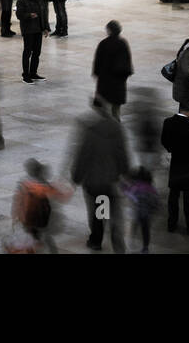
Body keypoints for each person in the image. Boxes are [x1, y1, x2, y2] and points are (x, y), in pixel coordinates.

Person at [71, 96, 130, 252]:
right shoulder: (116, 128)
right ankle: (116, 238)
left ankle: (96, 239)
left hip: (94, 181)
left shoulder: (90, 130)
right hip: (110, 179)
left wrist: (76, 177)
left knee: (98, 211)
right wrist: (125, 172)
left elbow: (83, 156)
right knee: (109, 209)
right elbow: (122, 153)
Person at [160, 101, 189, 235]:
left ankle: (171, 223)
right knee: (188, 197)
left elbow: (164, 141)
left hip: (176, 163)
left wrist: (172, 149)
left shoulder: (168, 122)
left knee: (173, 194)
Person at [11, 159, 72, 253]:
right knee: (45, 237)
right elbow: (60, 195)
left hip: (29, 219)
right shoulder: (44, 185)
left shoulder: (24, 185)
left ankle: (36, 249)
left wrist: (15, 216)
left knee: (32, 239)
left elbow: (17, 201)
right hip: (42, 219)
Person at [92, 20, 134, 120]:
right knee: (116, 108)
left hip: (105, 80)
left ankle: (107, 124)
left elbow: (97, 61)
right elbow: (127, 62)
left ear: (109, 30)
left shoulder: (103, 43)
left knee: (104, 105)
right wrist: (125, 76)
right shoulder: (123, 43)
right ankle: (116, 123)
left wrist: (96, 73)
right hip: (118, 81)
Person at [122, 166, 160, 253]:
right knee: (145, 230)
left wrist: (123, 187)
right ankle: (145, 247)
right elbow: (156, 201)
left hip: (137, 212)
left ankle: (131, 242)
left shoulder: (136, 187)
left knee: (134, 226)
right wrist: (154, 210)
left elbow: (128, 192)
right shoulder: (152, 189)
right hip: (147, 214)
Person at [15, 0, 46, 83]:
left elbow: (43, 13)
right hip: (28, 30)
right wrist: (29, 15)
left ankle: (33, 73)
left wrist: (45, 28)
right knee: (27, 52)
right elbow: (19, 15)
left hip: (38, 29)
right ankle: (26, 75)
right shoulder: (22, 0)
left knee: (37, 52)